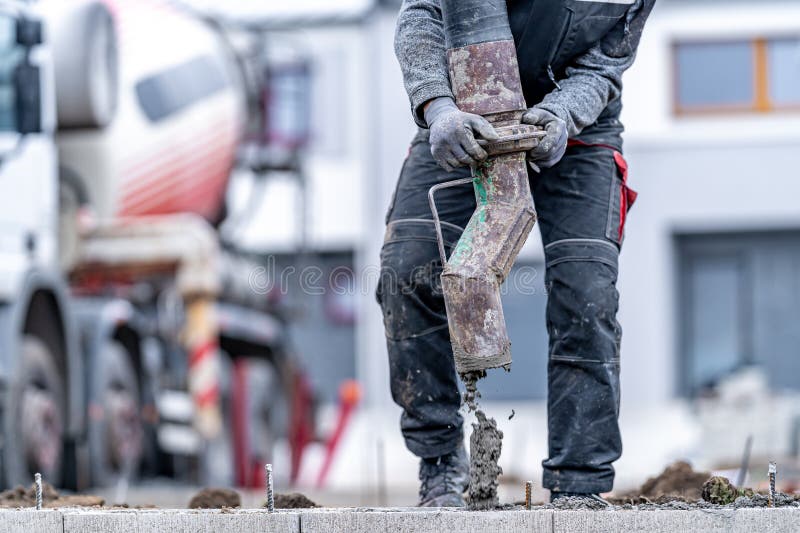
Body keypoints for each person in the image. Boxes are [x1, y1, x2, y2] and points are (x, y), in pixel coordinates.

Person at [377, 0, 657, 507]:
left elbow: (606, 62)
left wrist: (562, 114)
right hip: (462, 115)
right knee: (406, 270)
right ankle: (440, 463)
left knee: (586, 293)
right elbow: (422, 14)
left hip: (577, 133)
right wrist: (436, 107)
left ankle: (579, 486)